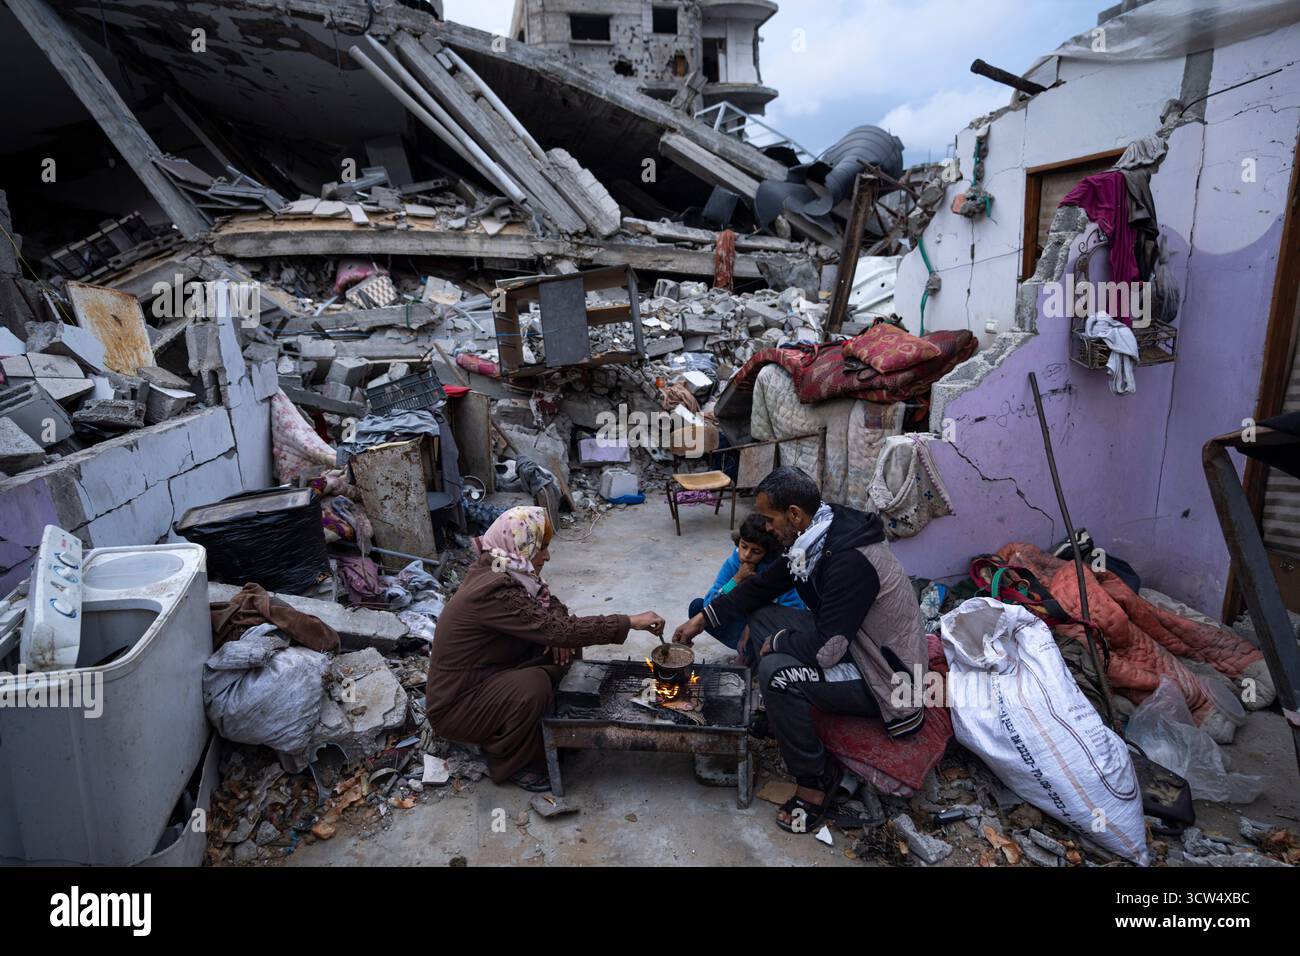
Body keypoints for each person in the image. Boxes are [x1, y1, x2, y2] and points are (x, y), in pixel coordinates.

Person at [672, 467, 926, 833]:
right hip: (852, 642)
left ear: (793, 514)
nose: (767, 528)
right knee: (760, 616)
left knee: (777, 673)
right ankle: (781, 723)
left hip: (884, 676)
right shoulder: (815, 534)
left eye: (769, 519)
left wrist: (778, 642)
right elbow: (762, 587)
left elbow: (827, 651)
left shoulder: (848, 559)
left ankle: (814, 783)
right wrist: (702, 619)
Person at [426, 506, 665, 791]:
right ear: (521, 546)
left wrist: (555, 636)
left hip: (491, 673)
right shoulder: (494, 587)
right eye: (542, 548)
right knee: (534, 685)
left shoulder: (504, 566)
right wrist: (629, 621)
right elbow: (559, 628)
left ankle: (544, 728)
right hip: (458, 703)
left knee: (565, 650)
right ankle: (513, 761)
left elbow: (553, 610)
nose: (547, 557)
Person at [687, 513, 805, 665]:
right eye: (743, 546)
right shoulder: (734, 562)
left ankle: (756, 654)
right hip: (743, 621)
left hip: (769, 629)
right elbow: (710, 602)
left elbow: (792, 612)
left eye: (756, 551)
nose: (747, 555)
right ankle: (749, 652)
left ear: (767, 552)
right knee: (698, 609)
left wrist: (751, 627)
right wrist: (736, 579)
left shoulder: (778, 568)